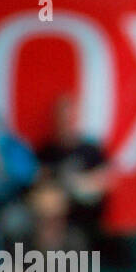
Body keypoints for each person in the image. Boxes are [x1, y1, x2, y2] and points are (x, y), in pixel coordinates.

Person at [37, 95, 111, 246]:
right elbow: (40, 184)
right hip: (54, 216)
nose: (67, 123)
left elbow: (106, 178)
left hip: (85, 213)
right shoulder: (47, 152)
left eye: (70, 118)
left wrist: (84, 183)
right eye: (63, 118)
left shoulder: (90, 150)